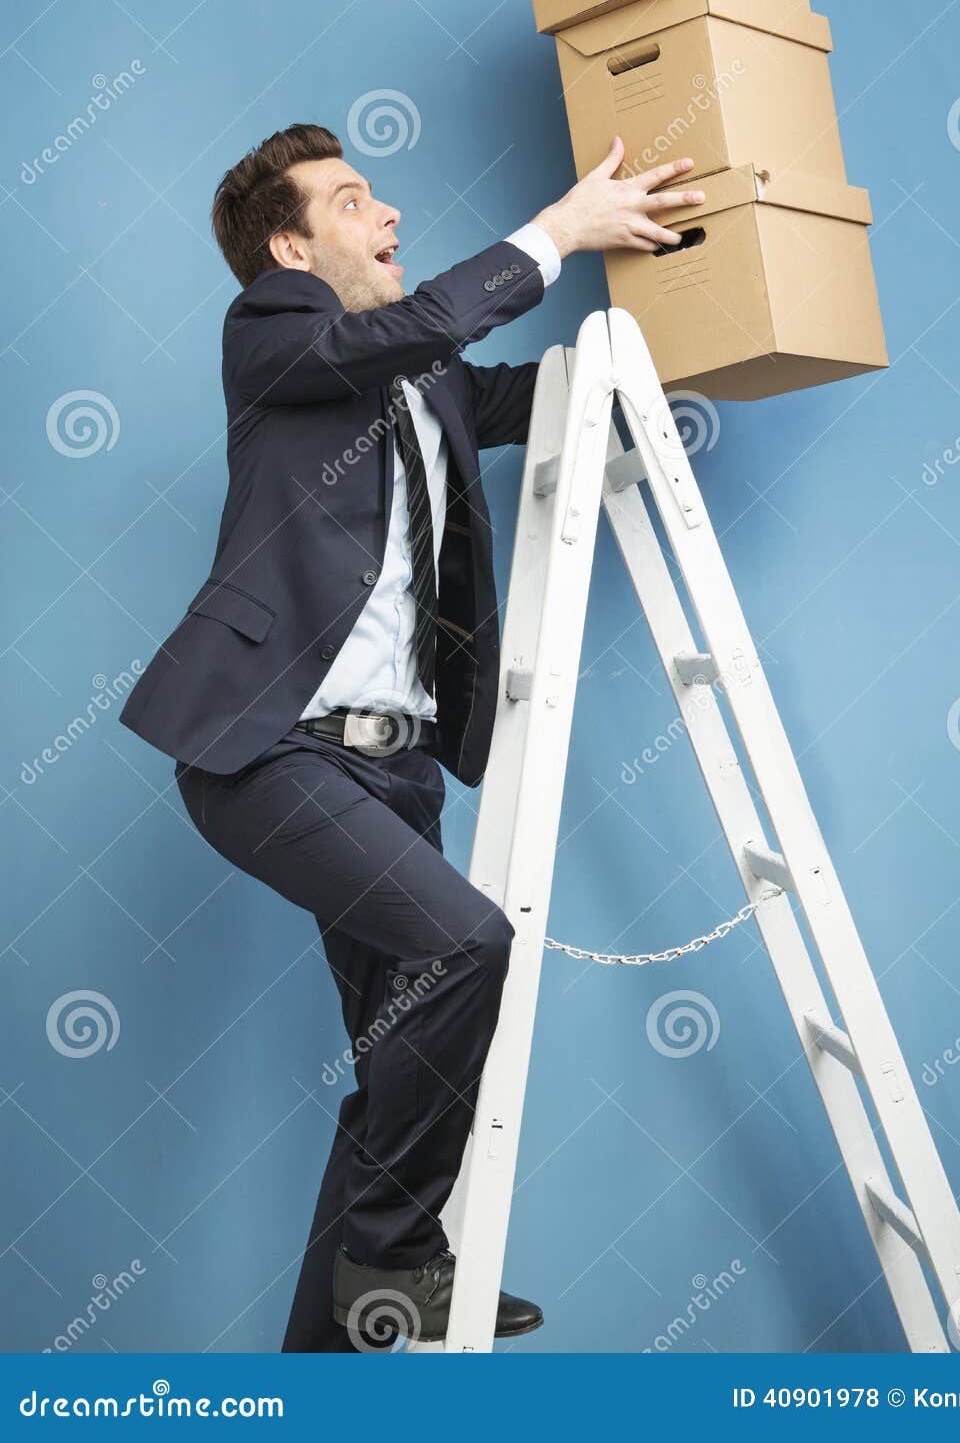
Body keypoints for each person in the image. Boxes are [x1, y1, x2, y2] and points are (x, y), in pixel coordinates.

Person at [119, 122, 705, 1350]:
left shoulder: (422, 372)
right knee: (465, 944)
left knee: (393, 1074)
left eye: (377, 194)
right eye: (350, 200)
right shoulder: (272, 336)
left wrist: (704, 316)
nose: (386, 212)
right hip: (270, 751)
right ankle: (397, 1255)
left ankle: (324, 1364)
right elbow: (414, 325)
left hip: (400, 772)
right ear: (290, 250)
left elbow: (542, 391)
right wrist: (557, 231)